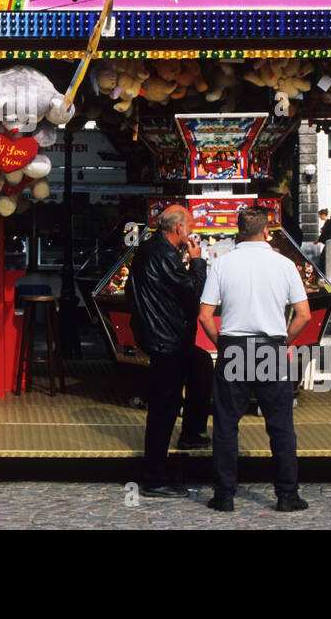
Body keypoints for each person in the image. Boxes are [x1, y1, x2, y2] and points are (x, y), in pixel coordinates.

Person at [199, 204, 310, 513]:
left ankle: (224, 495)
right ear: (266, 231)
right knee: (280, 425)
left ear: (238, 232)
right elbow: (303, 315)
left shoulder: (222, 264)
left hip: (234, 347)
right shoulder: (285, 265)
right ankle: (287, 494)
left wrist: (221, 344)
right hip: (271, 348)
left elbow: (205, 315)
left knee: (226, 425)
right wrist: (283, 340)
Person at [124, 205, 213, 498]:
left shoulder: (155, 250)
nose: (191, 232)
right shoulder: (162, 254)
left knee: (200, 365)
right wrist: (198, 262)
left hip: (165, 334)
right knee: (164, 407)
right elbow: (192, 290)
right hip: (166, 338)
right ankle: (153, 477)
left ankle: (190, 433)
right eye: (189, 226)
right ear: (178, 229)